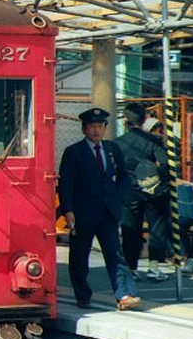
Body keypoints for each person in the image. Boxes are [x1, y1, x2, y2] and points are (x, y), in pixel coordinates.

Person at [58, 107, 142, 310]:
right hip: (83, 212)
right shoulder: (74, 152)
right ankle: (82, 295)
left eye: (100, 126)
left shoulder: (112, 149)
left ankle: (124, 294)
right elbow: (66, 183)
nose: (96, 130)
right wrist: (68, 209)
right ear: (84, 129)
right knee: (79, 257)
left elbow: (124, 177)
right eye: (92, 126)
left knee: (115, 254)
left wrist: (119, 198)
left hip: (108, 211)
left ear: (105, 128)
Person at [114, 103, 170, 282]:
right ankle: (154, 267)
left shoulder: (117, 143)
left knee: (130, 228)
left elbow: (112, 169)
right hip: (151, 188)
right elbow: (165, 164)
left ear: (125, 121)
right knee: (157, 226)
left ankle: (132, 268)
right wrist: (157, 180)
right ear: (144, 120)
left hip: (128, 190)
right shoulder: (153, 141)